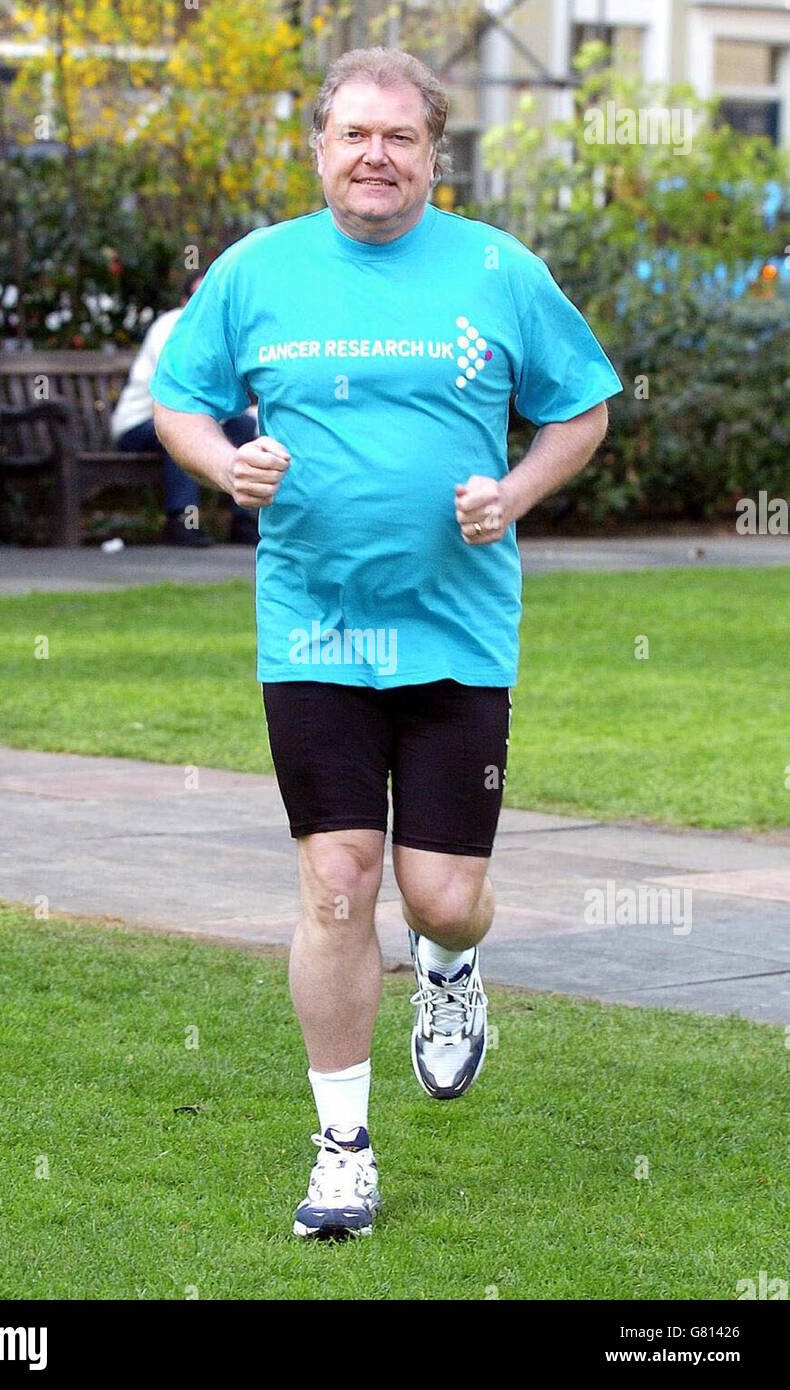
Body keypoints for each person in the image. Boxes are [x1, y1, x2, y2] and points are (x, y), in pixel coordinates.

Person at [152, 47, 622, 1239]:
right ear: (319, 148)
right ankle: (343, 1148)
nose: (376, 154)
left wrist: (514, 494)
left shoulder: (495, 269)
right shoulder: (256, 272)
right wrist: (224, 463)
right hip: (311, 627)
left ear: (432, 152)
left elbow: (583, 406)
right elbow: (180, 400)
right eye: (355, 134)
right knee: (338, 878)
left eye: (400, 137)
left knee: (444, 895)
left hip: (460, 629)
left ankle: (453, 969)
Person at [111, 271, 259, 545]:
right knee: (181, 433)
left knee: (244, 425)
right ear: (183, 301)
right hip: (139, 426)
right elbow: (179, 390)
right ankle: (181, 522)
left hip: (199, 417)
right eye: (196, 297)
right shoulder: (170, 325)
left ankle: (242, 520)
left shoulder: (223, 330)